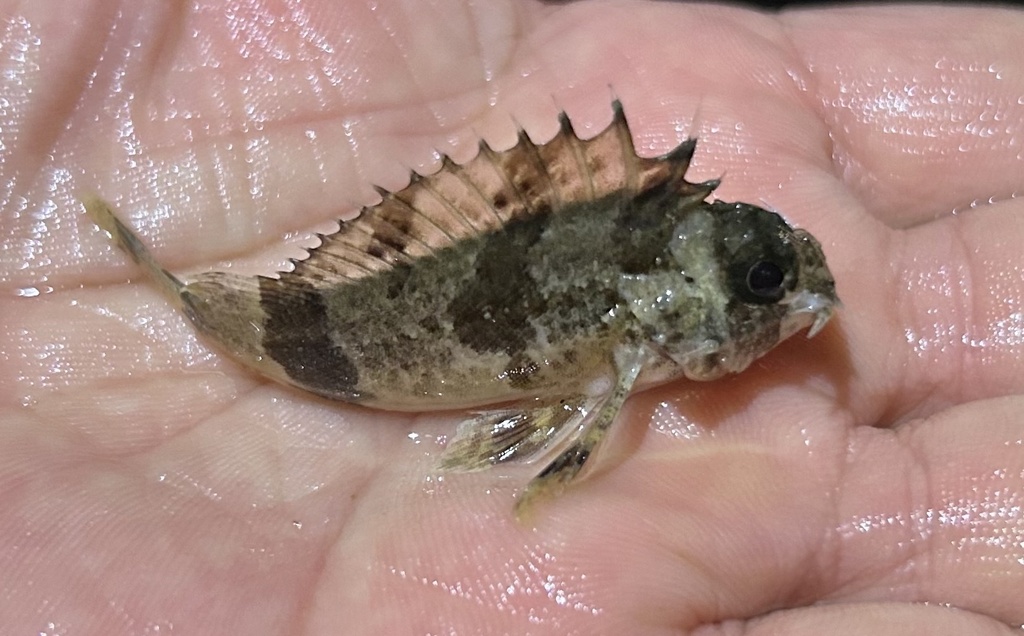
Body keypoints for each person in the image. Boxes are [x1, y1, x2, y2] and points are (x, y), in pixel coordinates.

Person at [1, 2, 1022, 634]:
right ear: (656, 314)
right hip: (333, 336)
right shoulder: (625, 347)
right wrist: (564, 453)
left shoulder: (642, 323)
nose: (797, 301)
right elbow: (588, 413)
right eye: (761, 283)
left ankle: (162, 277)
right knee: (254, 321)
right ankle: (165, 281)